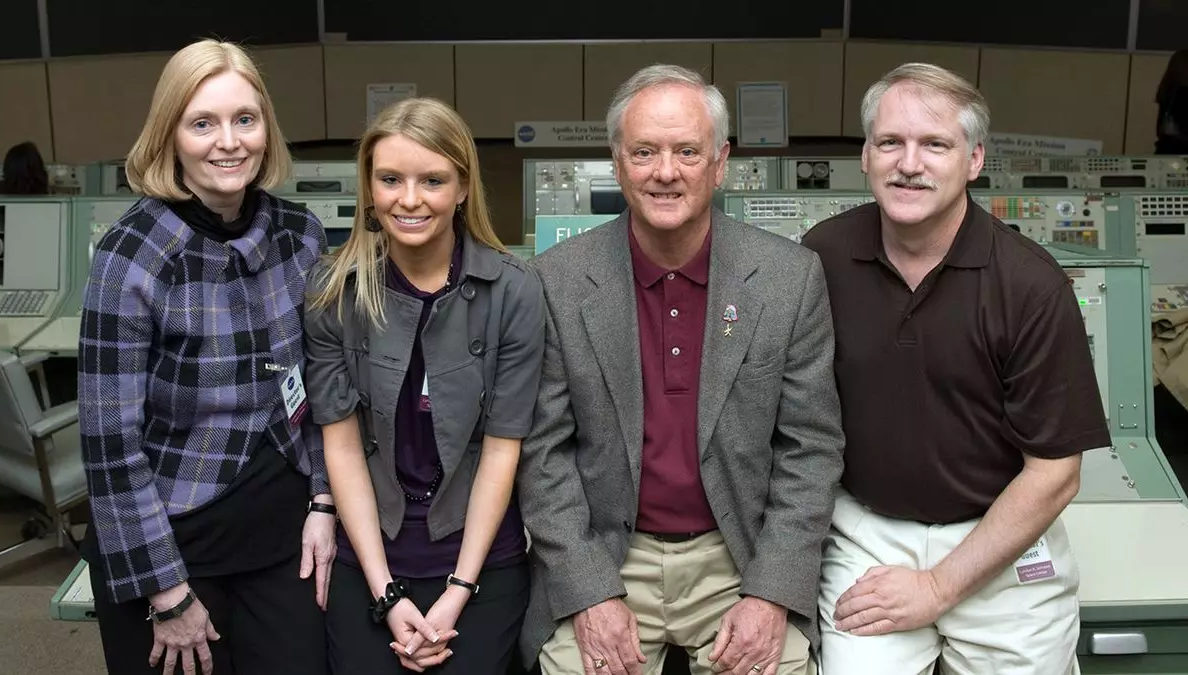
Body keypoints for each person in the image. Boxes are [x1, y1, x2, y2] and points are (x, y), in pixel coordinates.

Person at [516, 63, 846, 675]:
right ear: (617, 162)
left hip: (738, 554)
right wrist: (589, 592)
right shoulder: (557, 281)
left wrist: (771, 592)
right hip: (610, 554)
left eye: (686, 151)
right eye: (644, 152)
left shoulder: (788, 279)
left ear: (721, 163)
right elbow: (544, 455)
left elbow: (812, 450)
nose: (664, 172)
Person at [800, 62, 1112, 675]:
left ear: (973, 160)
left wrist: (939, 586)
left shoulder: (1032, 285)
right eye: (891, 142)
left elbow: (1054, 475)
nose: (909, 163)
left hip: (998, 537)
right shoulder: (822, 257)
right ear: (865, 155)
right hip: (869, 532)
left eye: (935, 144)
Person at [77, 38, 334, 675]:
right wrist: (165, 592)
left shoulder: (301, 235)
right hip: (169, 538)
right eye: (203, 123)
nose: (229, 141)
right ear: (171, 136)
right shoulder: (130, 257)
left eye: (245, 119)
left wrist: (325, 504)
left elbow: (326, 385)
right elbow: (109, 443)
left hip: (282, 529)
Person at [303, 96, 544, 675]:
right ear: (368, 186)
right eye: (390, 179)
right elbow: (341, 448)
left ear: (463, 188)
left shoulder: (513, 292)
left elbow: (501, 451)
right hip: (371, 555)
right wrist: (386, 594)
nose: (409, 200)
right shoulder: (334, 292)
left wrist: (459, 589)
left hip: (480, 559)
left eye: (432, 180)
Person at [1155, 50, 1188, 155]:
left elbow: (1159, 129)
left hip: (1166, 150)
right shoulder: (1184, 94)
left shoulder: (1167, 89)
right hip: (1182, 152)